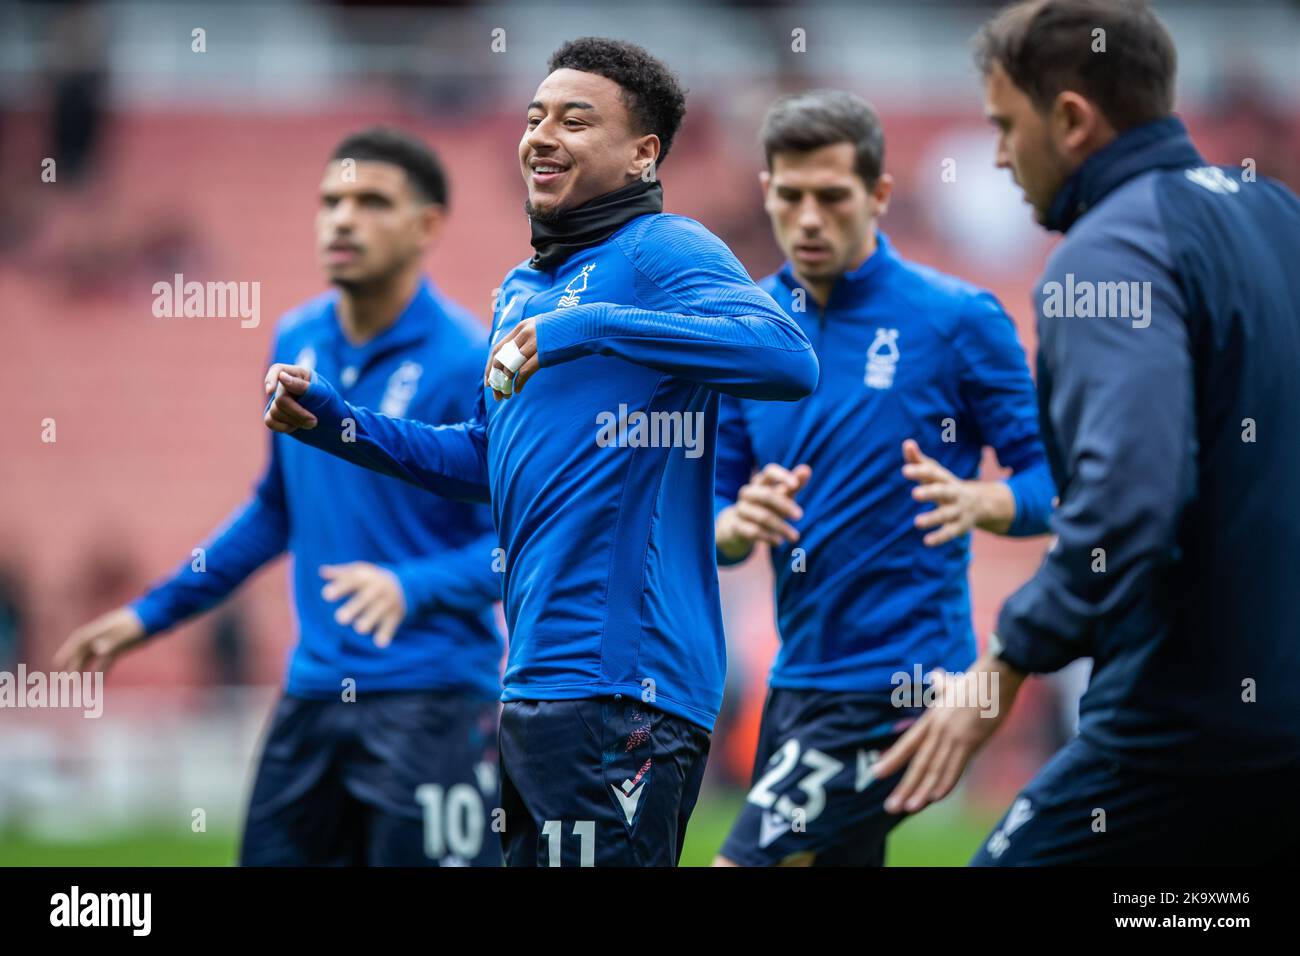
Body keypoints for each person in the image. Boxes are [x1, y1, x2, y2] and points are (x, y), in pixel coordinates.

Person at [261, 38, 819, 867]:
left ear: (642, 154)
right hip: (533, 683)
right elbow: (486, 461)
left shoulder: (660, 248)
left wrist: (587, 328)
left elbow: (786, 358)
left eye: (574, 120)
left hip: (630, 686)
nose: (541, 135)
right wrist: (339, 424)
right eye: (534, 117)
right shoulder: (525, 288)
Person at [875, 0, 1300, 864]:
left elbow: (1128, 497)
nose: (998, 152)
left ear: (1070, 119)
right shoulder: (1279, 214)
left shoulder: (1109, 252)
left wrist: (1001, 668)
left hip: (1182, 732)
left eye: (1005, 124)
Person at [56, 128, 505, 867]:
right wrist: (149, 614)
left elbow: (520, 546)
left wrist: (414, 585)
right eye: (330, 201)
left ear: (426, 225)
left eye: (370, 202)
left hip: (435, 702)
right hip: (314, 695)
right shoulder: (297, 339)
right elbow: (277, 506)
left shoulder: (467, 360)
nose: (342, 219)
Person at [711, 90, 1053, 867]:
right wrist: (735, 524)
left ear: (879, 196)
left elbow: (1055, 485)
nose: (807, 219)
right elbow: (715, 518)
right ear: (766, 192)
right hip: (798, 679)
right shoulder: (749, 336)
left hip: (900, 682)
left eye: (832, 197)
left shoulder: (957, 319)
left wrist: (985, 502)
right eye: (789, 196)